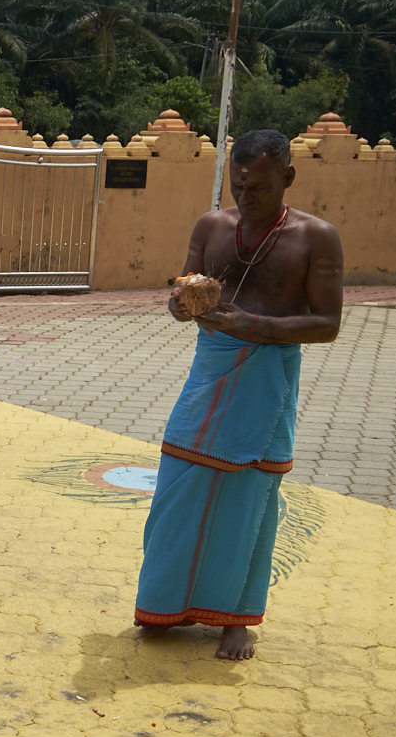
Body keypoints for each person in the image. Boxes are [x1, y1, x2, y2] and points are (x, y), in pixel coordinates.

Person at [134, 128, 342, 660]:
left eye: (260, 188)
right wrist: (179, 306)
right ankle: (165, 604)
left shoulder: (316, 237)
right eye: (238, 186)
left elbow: (328, 324)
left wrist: (256, 326)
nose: (245, 198)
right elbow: (184, 292)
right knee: (179, 487)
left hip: (267, 380)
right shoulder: (212, 226)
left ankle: (236, 619)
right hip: (208, 375)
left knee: (250, 500)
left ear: (288, 179)